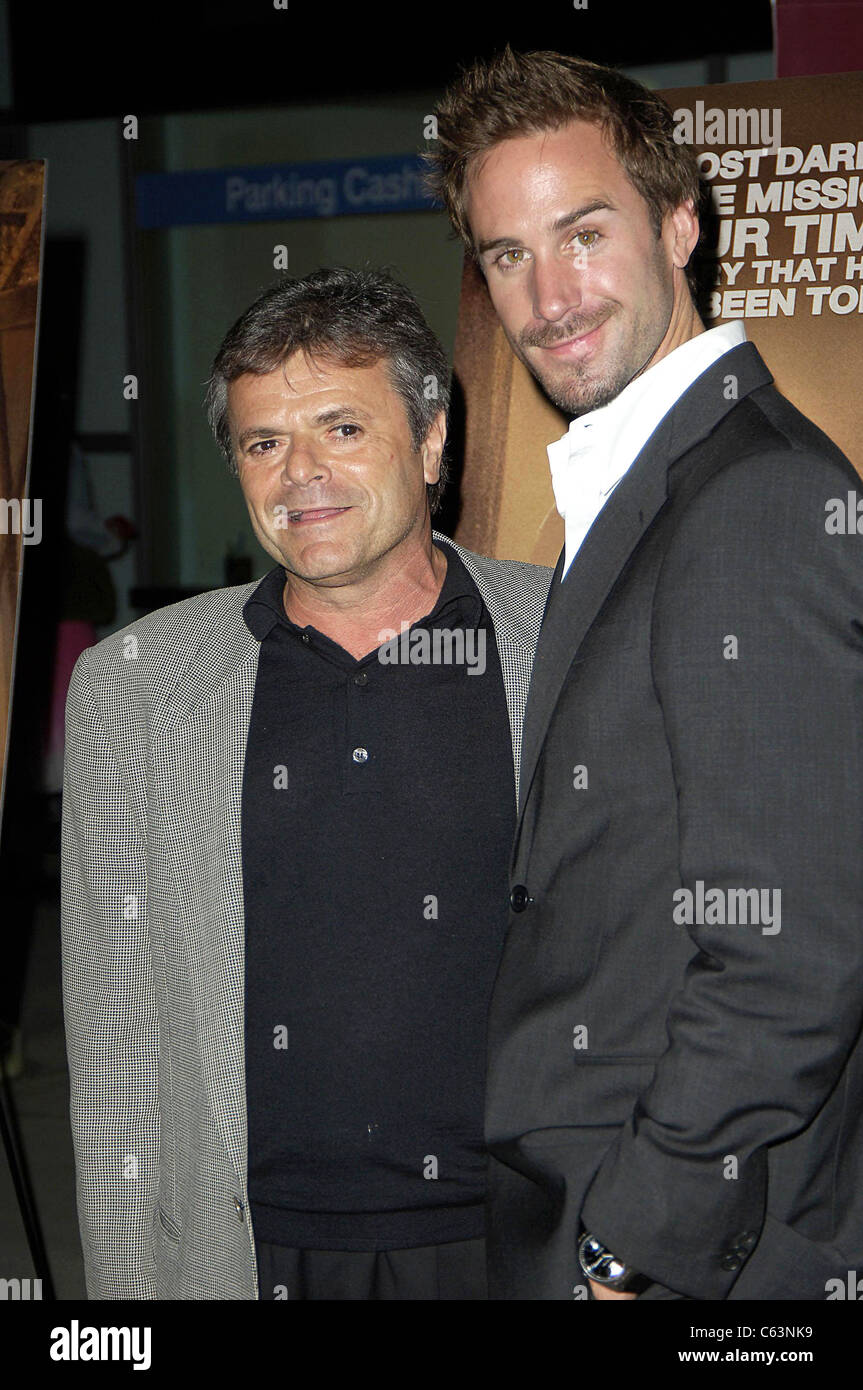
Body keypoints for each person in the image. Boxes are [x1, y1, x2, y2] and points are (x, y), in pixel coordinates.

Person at [427, 47, 863, 1300]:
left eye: (582, 232)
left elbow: (792, 949)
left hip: (695, 1251)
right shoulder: (642, 482)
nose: (546, 294)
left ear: (679, 222)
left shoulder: (758, 497)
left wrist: (626, 1250)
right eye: (505, 254)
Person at [60, 266, 551, 1300]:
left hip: (514, 1247)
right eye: (263, 442)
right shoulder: (137, 689)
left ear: (428, 440)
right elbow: (116, 1046)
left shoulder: (565, 641)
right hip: (243, 1254)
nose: (299, 476)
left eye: (340, 428)